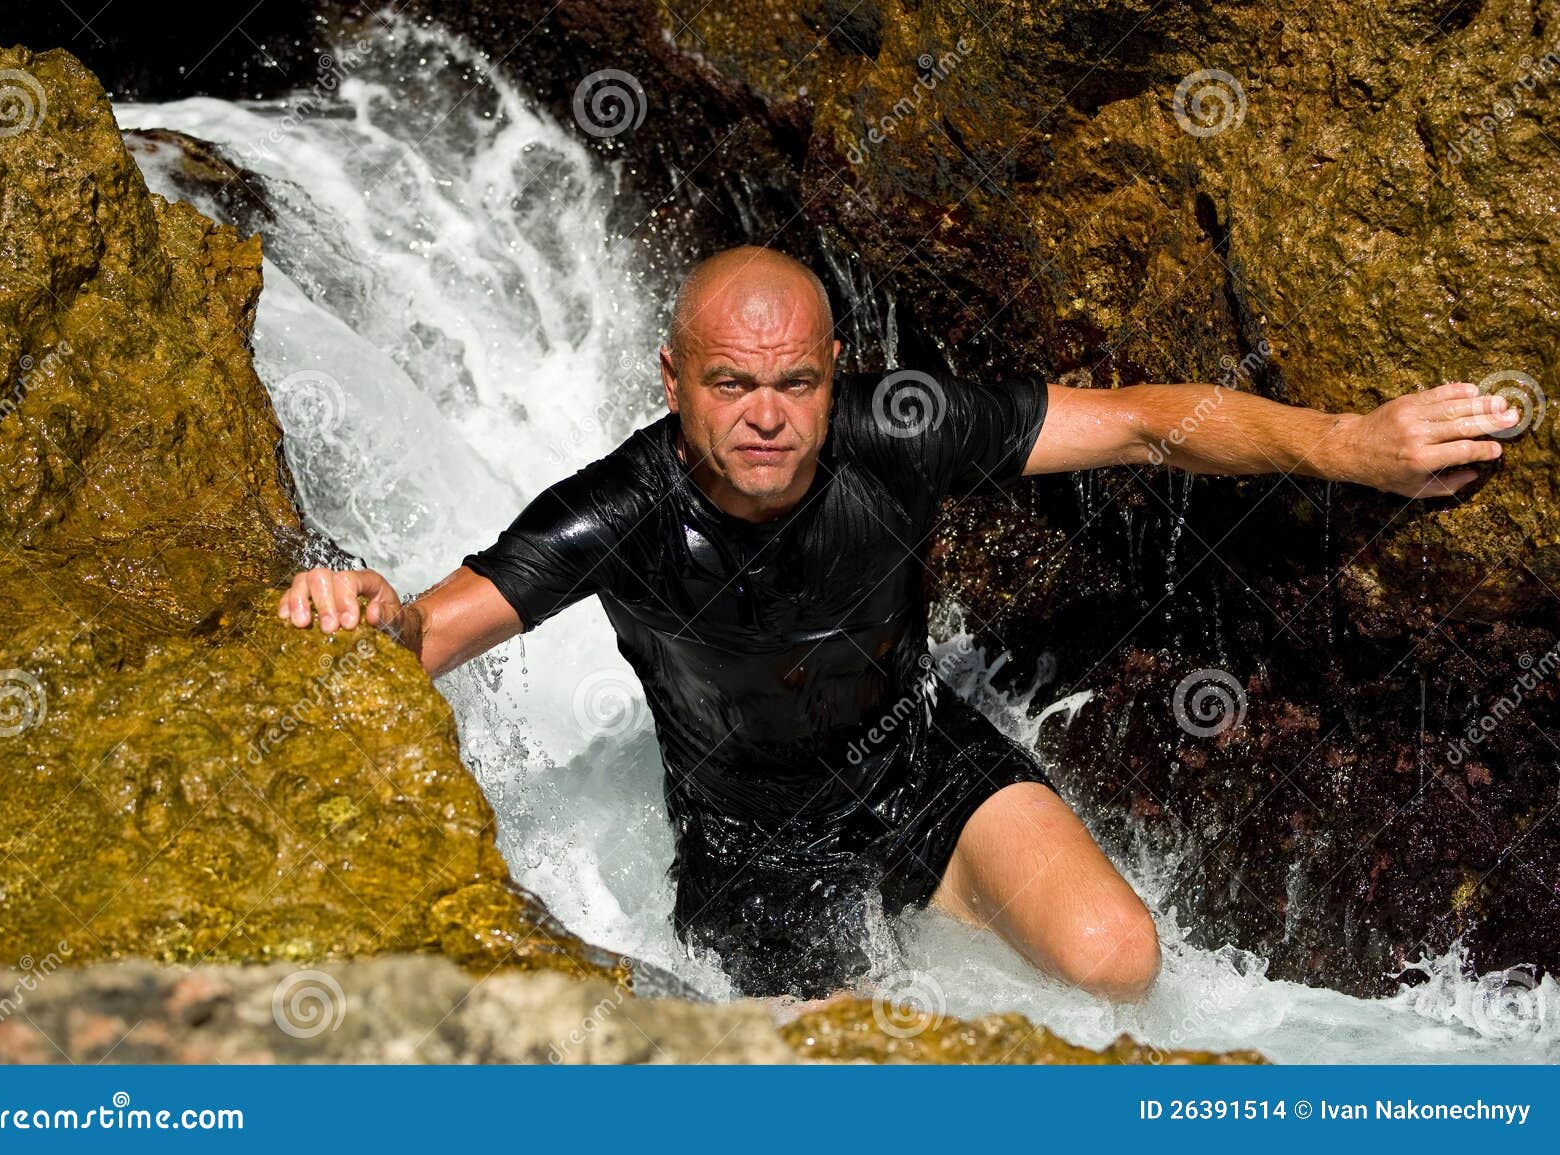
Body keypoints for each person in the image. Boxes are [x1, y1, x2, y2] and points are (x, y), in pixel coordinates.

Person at [277, 245, 1518, 1001]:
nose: (766, 418)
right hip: (753, 852)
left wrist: (1348, 444)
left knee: (1116, 961)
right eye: (729, 385)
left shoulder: (901, 430)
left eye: (796, 382)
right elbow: (427, 633)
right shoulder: (617, 511)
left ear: (835, 370)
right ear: (672, 380)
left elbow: (1146, 423)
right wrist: (366, 609)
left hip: (923, 772)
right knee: (854, 1078)